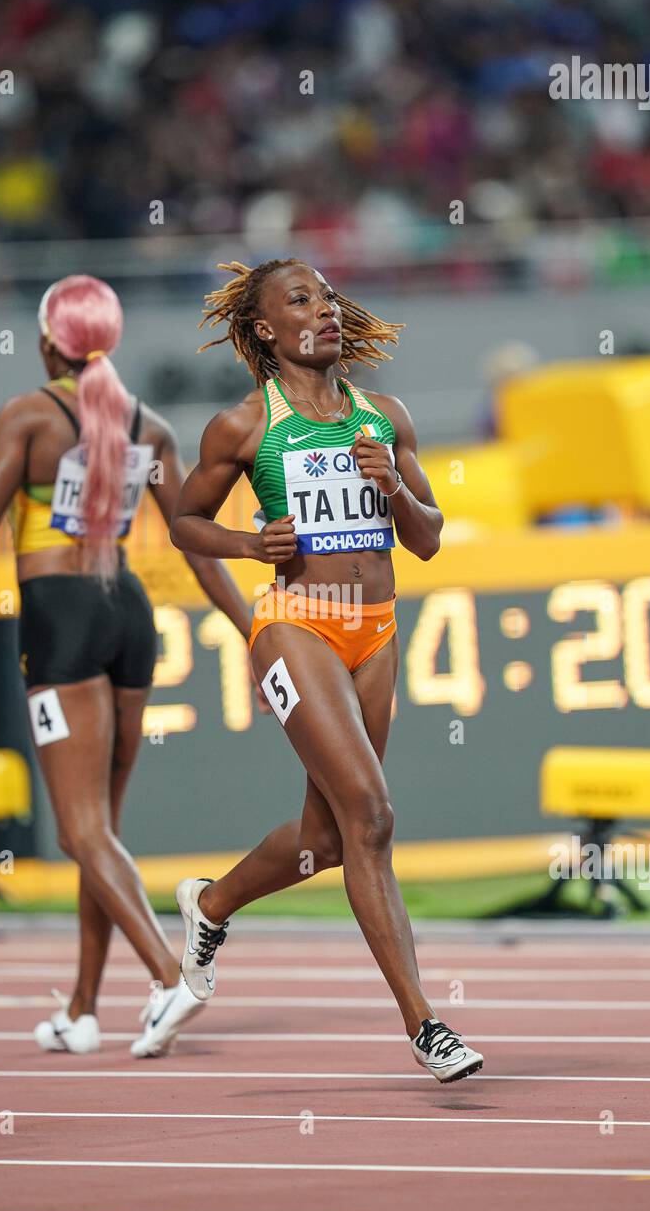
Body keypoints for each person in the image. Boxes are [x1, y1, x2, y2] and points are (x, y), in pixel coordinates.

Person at [0, 274, 254, 1058]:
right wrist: (251, 628)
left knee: (81, 831)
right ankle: (84, 1007)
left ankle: (172, 976)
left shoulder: (28, 414)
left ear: (44, 341)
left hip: (61, 619)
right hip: (128, 614)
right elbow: (195, 544)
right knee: (104, 834)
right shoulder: (150, 426)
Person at [170, 259, 483, 1082]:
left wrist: (397, 492)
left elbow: (427, 538)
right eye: (301, 299)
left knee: (328, 840)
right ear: (267, 331)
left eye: (328, 296)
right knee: (373, 816)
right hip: (295, 627)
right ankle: (425, 1024)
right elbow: (184, 523)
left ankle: (210, 905)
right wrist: (249, 544)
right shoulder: (244, 426)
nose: (325, 309)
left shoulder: (384, 418)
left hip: (373, 632)